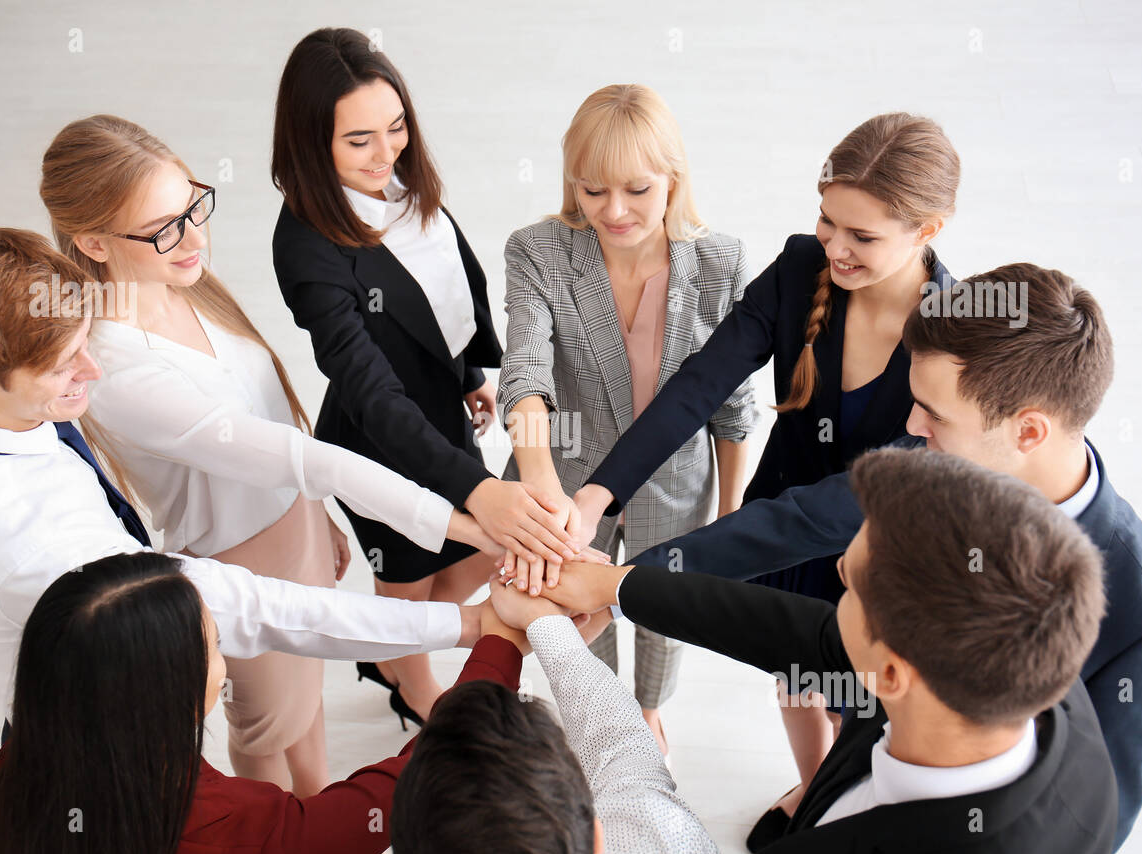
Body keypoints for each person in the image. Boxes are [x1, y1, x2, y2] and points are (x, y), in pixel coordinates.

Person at [617, 262, 1142, 852]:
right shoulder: (943, 457)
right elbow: (800, 523)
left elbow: (1088, 831)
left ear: (1028, 431)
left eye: (935, 414)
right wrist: (622, 583)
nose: (910, 427)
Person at [38, 115, 500, 795]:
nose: (195, 237)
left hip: (293, 522)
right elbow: (288, 453)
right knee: (265, 727)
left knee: (303, 703)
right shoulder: (119, 367)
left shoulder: (186, 285)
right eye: (164, 227)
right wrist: (475, 519)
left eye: (194, 205)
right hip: (237, 557)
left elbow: (275, 418)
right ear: (92, 242)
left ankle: (314, 805)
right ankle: (292, 829)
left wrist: (318, 520)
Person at [0, 227, 486, 736]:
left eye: (84, 343)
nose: (93, 371)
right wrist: (470, 626)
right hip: (93, 717)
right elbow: (262, 608)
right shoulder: (42, 545)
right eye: (62, 365)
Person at [565, 112, 959, 832]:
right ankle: (813, 787)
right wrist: (598, 494)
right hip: (779, 508)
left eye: (862, 237)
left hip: (872, 537)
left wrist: (635, 581)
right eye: (828, 222)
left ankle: (847, 800)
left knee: (860, 688)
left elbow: (841, 508)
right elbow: (698, 385)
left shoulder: (956, 331)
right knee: (795, 673)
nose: (835, 248)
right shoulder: (800, 267)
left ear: (927, 230)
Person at [545, 447, 1116, 854]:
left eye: (848, 584)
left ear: (891, 676)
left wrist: (552, 638)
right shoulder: (1022, 667)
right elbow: (806, 637)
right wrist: (617, 587)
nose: (834, 580)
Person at [270, 27, 582, 723]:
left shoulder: (402, 181)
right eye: (360, 141)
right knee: (409, 583)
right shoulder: (305, 248)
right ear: (310, 142)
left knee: (448, 565)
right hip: (380, 440)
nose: (387, 154)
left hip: (443, 407)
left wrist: (470, 367)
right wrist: (477, 486)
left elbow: (443, 280)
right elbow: (370, 390)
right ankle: (413, 686)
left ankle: (386, 652)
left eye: (396, 127)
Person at [496, 84, 757, 761]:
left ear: (673, 179)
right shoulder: (537, 252)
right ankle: (605, 708)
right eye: (592, 190)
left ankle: (647, 709)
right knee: (581, 600)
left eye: (637, 190)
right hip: (567, 471)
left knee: (662, 608)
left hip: (677, 482)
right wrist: (545, 490)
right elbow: (525, 374)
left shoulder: (720, 264)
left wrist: (731, 513)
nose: (614, 212)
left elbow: (733, 406)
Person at [0, 552, 523, 854]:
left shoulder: (16, 771)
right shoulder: (232, 828)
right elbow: (396, 789)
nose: (228, 657)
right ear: (168, 694)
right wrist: (497, 647)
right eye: (215, 645)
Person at [390, 575, 721, 854]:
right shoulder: (671, 847)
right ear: (595, 837)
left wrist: (533, 619)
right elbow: (621, 746)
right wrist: (541, 618)